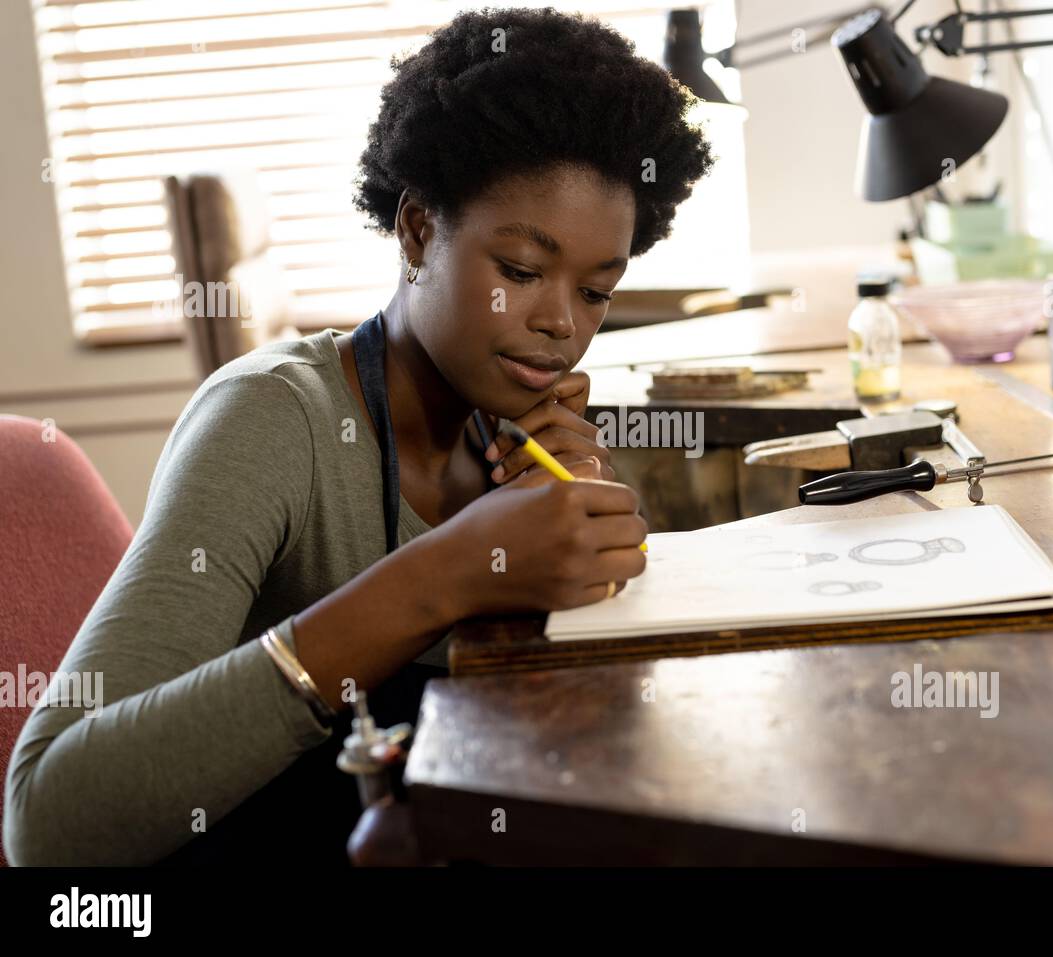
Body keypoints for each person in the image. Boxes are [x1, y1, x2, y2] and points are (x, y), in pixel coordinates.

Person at [4, 6, 714, 866]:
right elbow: (47, 824)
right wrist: (443, 574)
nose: (560, 323)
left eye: (597, 290)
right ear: (417, 231)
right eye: (520, 272)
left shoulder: (516, 433)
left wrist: (574, 544)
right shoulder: (270, 420)